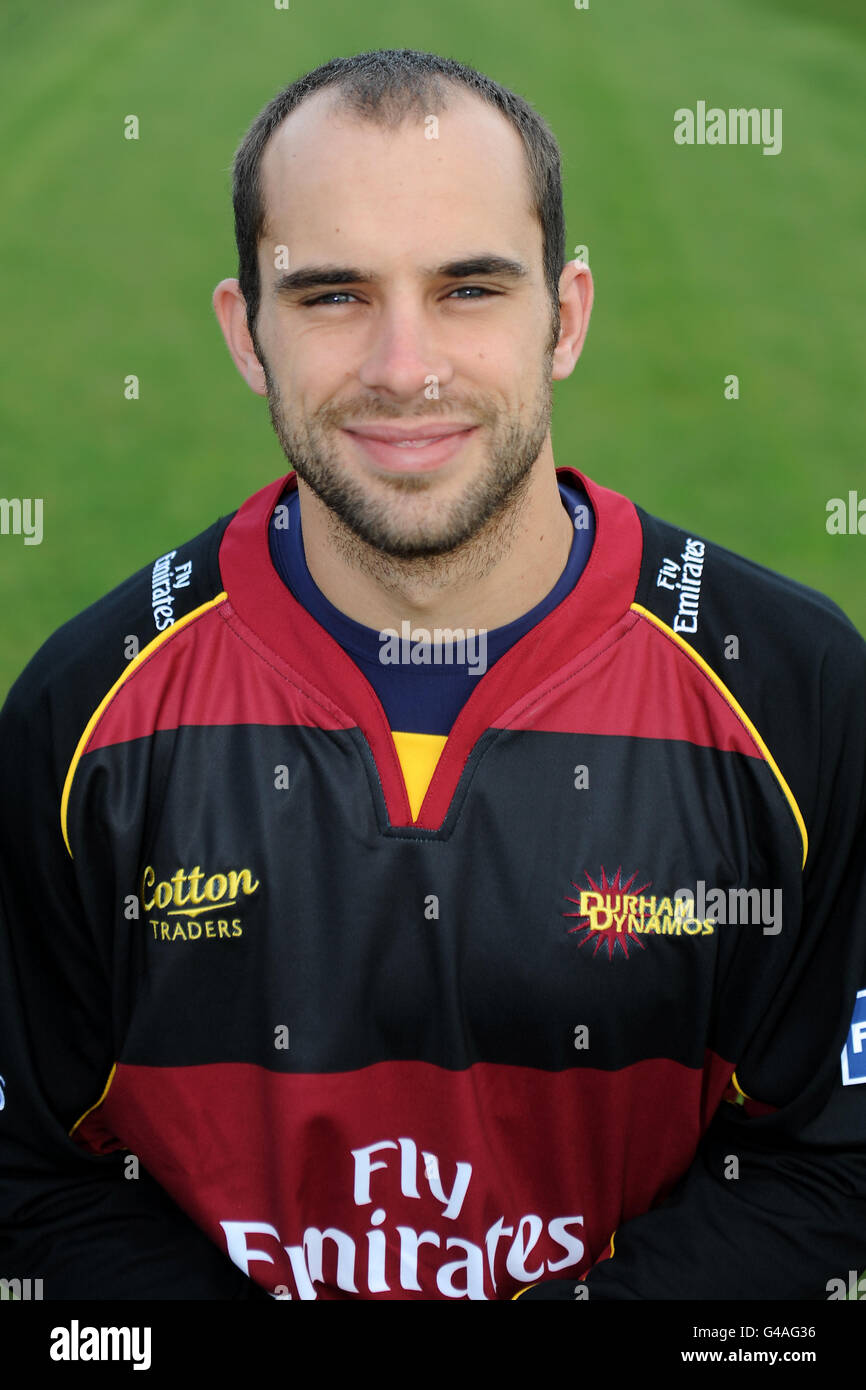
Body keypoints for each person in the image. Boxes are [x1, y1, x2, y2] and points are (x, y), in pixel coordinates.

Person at [0, 47, 864, 1303]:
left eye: (467, 289)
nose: (405, 368)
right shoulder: (82, 715)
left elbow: (826, 1168)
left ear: (562, 317)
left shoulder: (790, 689)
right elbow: (37, 1176)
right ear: (247, 332)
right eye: (333, 296)